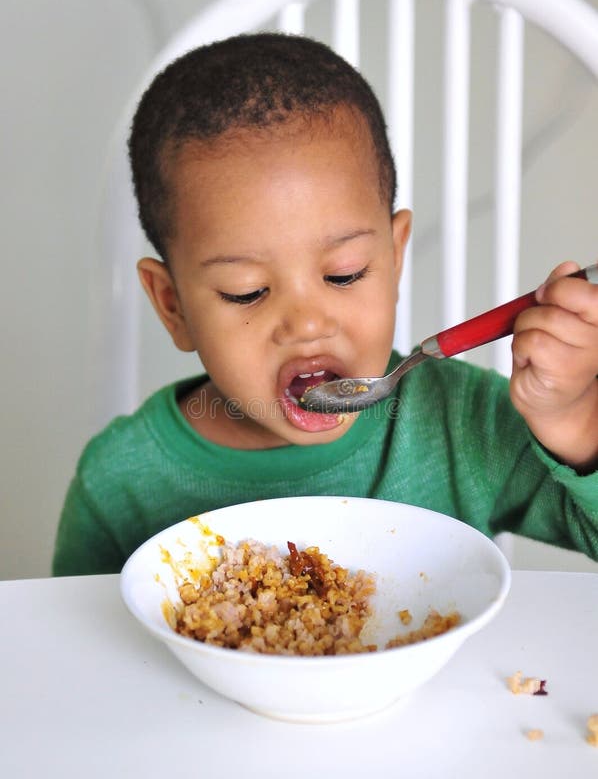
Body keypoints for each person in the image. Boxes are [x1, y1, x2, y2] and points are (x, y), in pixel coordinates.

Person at [53, 33, 598, 575]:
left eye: (345, 274)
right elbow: (67, 651)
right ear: (173, 306)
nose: (308, 322)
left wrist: (578, 428)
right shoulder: (120, 483)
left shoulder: (465, 424)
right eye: (247, 291)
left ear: (394, 256)